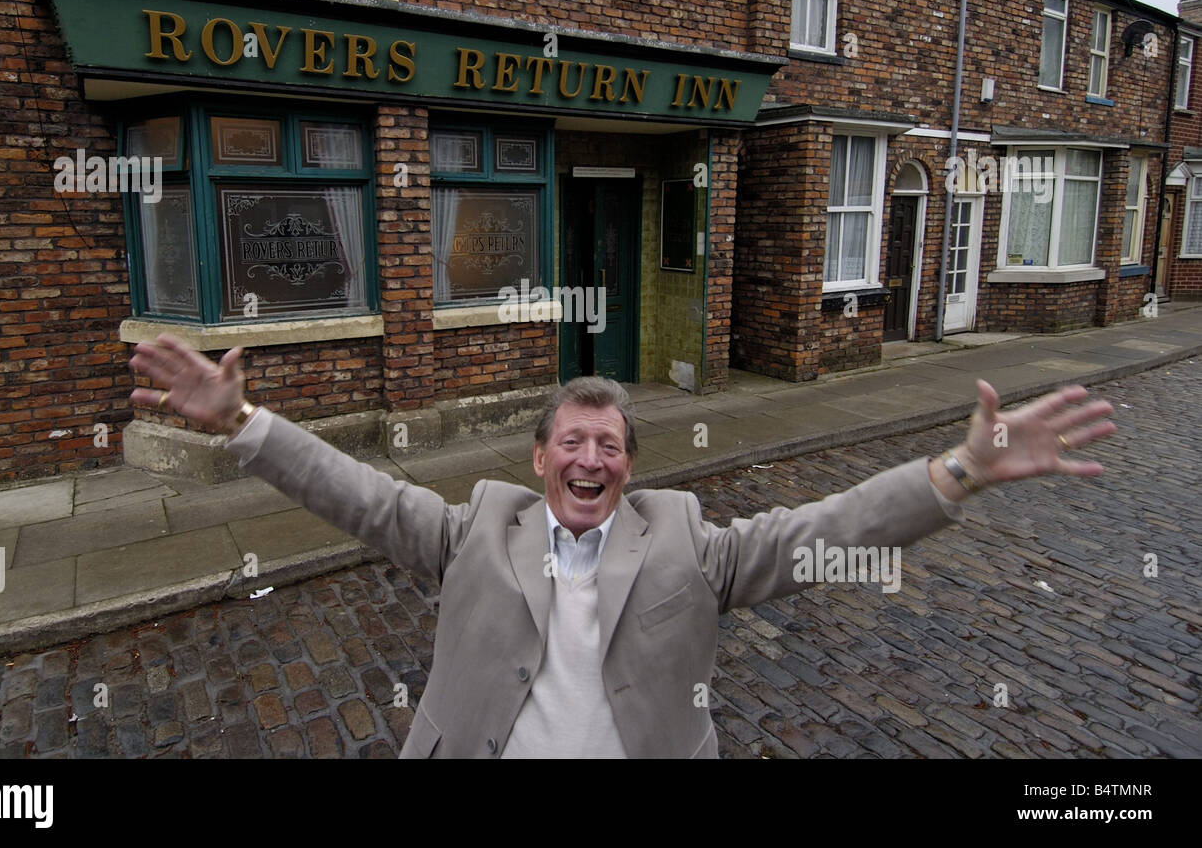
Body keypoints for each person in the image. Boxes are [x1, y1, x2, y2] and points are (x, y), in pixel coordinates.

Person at [129, 333, 1115, 758]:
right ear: (539, 459)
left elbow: (826, 531)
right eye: (573, 442)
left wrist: (961, 471)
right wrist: (243, 424)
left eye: (609, 444)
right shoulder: (479, 527)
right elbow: (360, 495)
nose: (590, 457)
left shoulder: (690, 543)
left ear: (630, 467)